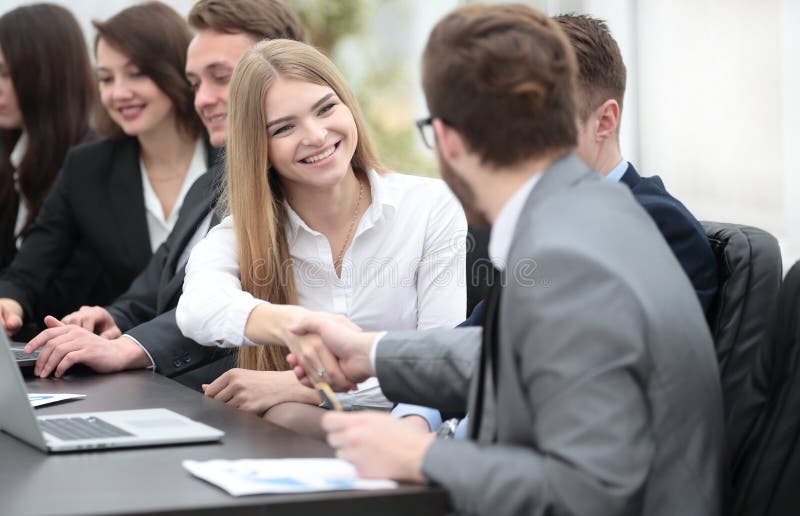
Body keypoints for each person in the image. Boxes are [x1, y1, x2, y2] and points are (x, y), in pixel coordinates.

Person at [284, 4, 725, 515]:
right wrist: (373, 352)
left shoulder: (567, 254)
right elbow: (526, 356)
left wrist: (421, 457)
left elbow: (592, 491)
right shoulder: (594, 211)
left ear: (447, 140)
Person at [396, 11, 722, 434]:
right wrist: (416, 415)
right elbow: (482, 334)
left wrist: (429, 455)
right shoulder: (542, 217)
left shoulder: (659, 229)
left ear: (604, 122)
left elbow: (580, 393)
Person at [175, 38, 466, 438]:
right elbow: (197, 308)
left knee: (286, 413)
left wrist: (304, 386)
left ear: (348, 106)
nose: (315, 134)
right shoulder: (244, 232)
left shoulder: (431, 204)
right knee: (285, 418)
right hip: (301, 444)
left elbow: (441, 362)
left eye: (326, 108)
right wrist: (293, 324)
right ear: (260, 149)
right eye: (284, 128)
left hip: (415, 433)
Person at [21, 0, 306, 389]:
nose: (202, 99)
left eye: (221, 77)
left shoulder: (305, 186)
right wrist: (113, 319)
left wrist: (131, 347)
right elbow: (158, 286)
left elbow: (223, 302)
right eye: (196, 84)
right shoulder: (209, 184)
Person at [0, 2, 214, 336]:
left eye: (136, 73)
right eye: (106, 78)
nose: (118, 93)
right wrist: (9, 304)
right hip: (128, 353)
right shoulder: (86, 167)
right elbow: (30, 268)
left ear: (177, 69)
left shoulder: (233, 157)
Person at [0, 4, 97, 322]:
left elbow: (66, 289)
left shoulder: (93, 164)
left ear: (47, 74)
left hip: (78, 337)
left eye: (5, 73)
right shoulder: (12, 154)